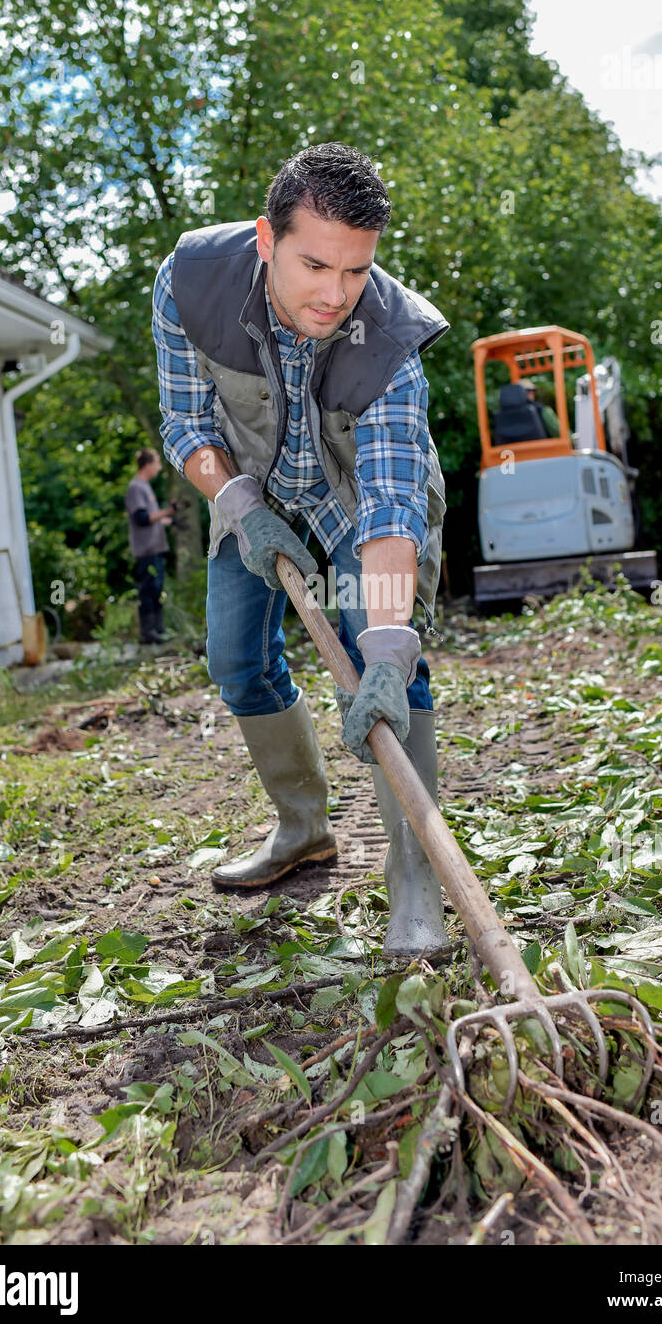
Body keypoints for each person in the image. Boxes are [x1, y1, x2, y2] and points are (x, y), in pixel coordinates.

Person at [152, 142, 450, 959]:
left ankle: (415, 882)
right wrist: (240, 505)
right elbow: (184, 422)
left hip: (353, 500)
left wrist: (385, 646)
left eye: (355, 271)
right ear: (264, 238)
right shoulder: (192, 282)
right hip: (248, 492)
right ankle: (303, 828)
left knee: (392, 659)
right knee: (235, 661)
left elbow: (391, 501)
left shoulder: (390, 335)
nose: (335, 294)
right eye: (316, 265)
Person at [125, 448, 174, 644]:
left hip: (155, 548)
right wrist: (167, 511)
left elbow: (152, 519)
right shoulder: (136, 487)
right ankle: (148, 634)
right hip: (146, 550)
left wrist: (168, 520)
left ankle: (158, 630)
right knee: (148, 590)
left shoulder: (144, 486)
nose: (159, 467)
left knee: (156, 590)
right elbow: (142, 518)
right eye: (157, 463)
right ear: (147, 465)